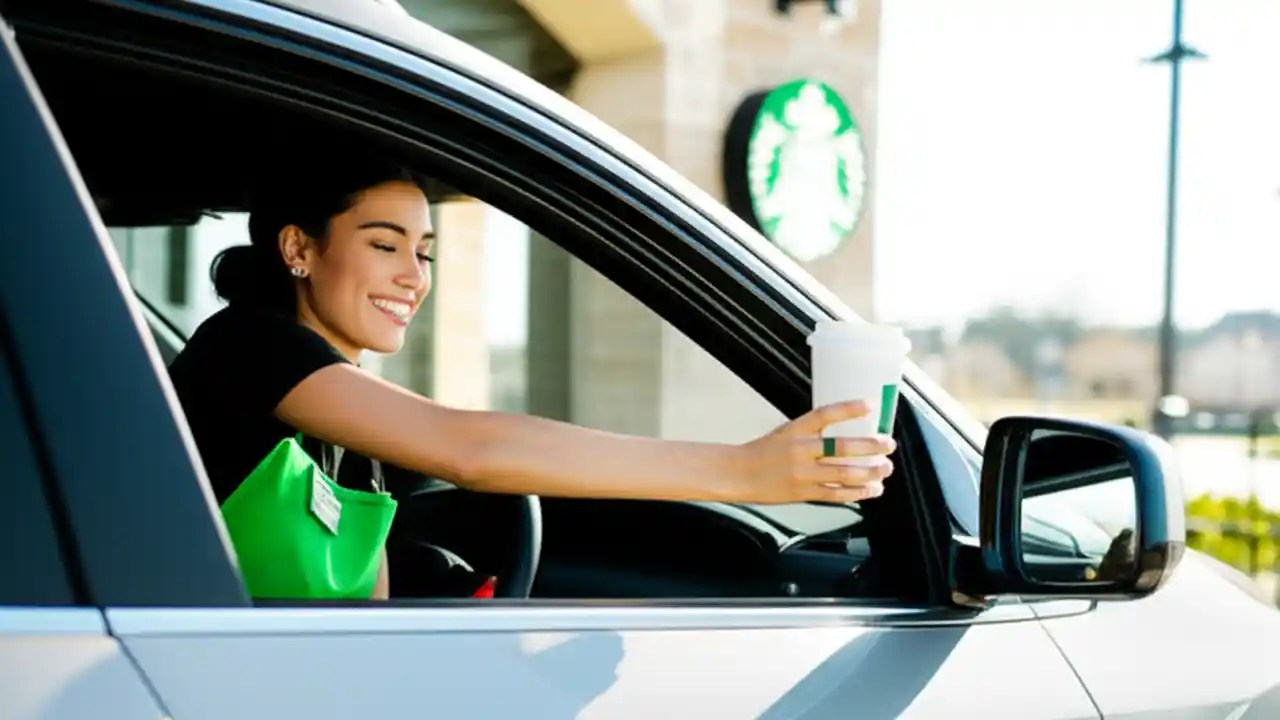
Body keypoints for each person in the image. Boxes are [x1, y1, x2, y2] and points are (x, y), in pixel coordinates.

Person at [167, 154, 895, 599]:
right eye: (385, 244)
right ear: (299, 247)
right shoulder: (246, 348)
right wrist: (741, 471)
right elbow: (470, 448)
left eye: (423, 252)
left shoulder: (350, 425)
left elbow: (364, 611)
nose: (413, 277)